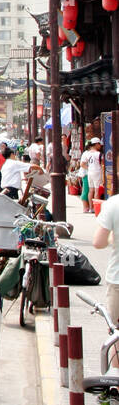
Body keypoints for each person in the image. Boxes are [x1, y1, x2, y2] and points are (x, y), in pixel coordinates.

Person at [92, 192, 119, 368]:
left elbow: (98, 242)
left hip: (118, 280)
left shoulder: (114, 203)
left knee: (117, 334)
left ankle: (116, 387)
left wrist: (112, 238)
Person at [82, 137, 104, 209]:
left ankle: (91, 208)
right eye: (99, 144)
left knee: (91, 190)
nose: (100, 146)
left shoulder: (87, 153)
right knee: (97, 191)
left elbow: (82, 164)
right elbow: (102, 164)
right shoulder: (99, 154)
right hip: (97, 172)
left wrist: (89, 168)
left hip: (90, 172)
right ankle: (96, 208)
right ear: (96, 144)